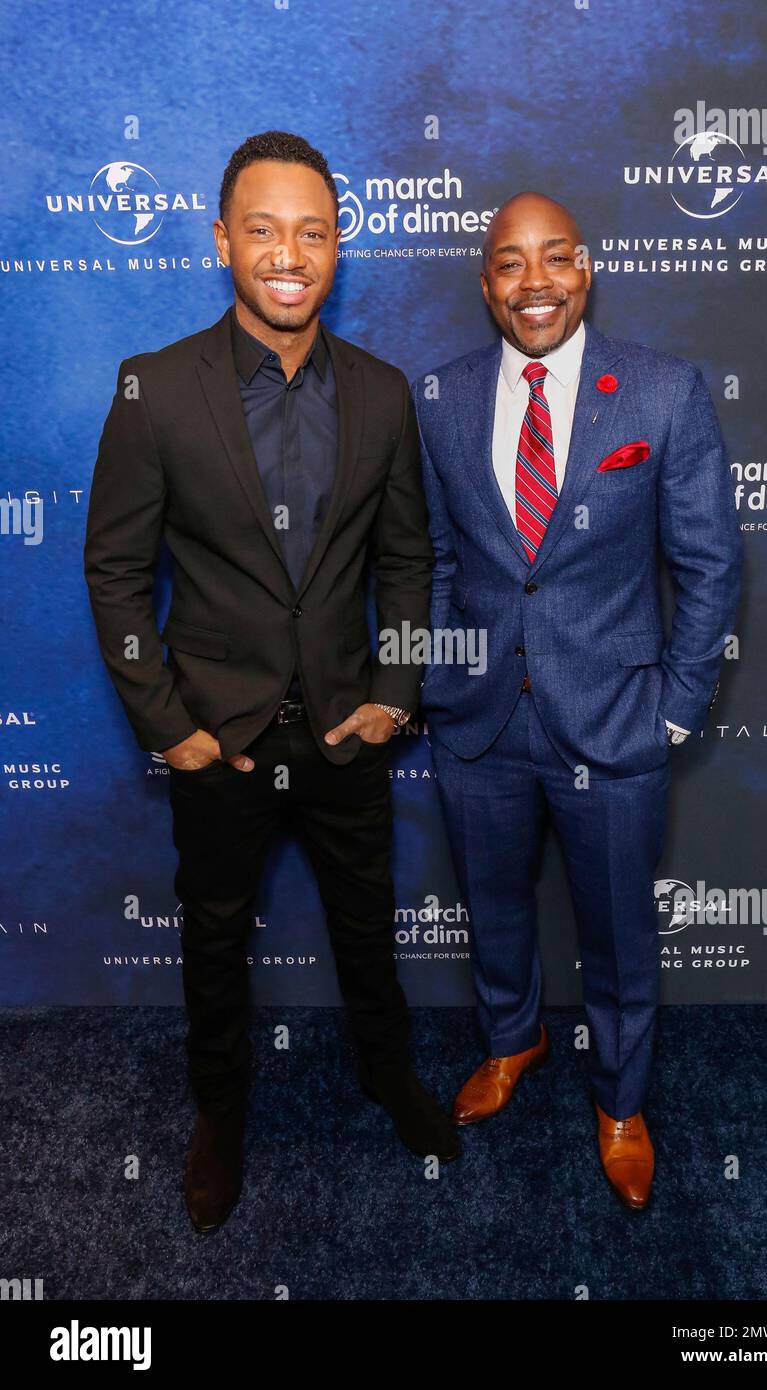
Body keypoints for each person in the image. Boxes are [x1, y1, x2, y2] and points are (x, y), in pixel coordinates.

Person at [84, 130, 459, 1235]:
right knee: (214, 938)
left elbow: (406, 560)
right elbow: (112, 570)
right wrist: (169, 726)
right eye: (262, 229)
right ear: (220, 241)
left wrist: (397, 691)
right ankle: (219, 1115)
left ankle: (387, 1077)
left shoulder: (385, 395)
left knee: (365, 927)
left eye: (311, 230)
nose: (287, 253)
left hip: (347, 731)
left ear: (338, 246)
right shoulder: (155, 389)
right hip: (218, 736)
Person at [412, 192, 742, 1209]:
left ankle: (619, 1099)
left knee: (616, 932)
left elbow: (708, 563)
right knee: (494, 911)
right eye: (509, 263)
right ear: (485, 285)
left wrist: (676, 709)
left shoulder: (660, 392)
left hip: (613, 723)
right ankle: (512, 1041)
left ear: (585, 268)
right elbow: (427, 556)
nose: (534, 281)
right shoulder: (441, 397)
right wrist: (434, 677)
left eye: (553, 257)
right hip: (479, 721)